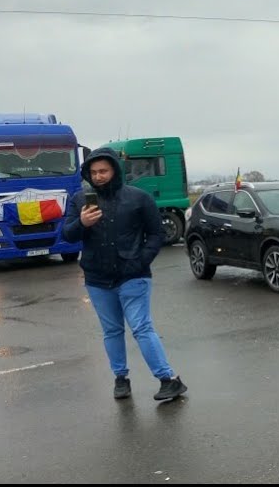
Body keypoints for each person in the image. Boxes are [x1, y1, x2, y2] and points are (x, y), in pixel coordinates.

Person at [61, 147, 188, 401]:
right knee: (112, 331)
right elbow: (66, 234)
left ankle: (168, 379)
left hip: (133, 275)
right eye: (93, 172)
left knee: (141, 327)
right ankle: (121, 379)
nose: (98, 176)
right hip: (97, 278)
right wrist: (82, 223)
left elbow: (156, 234)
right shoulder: (79, 200)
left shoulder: (138, 198)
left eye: (103, 171)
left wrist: (140, 261)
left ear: (115, 170)